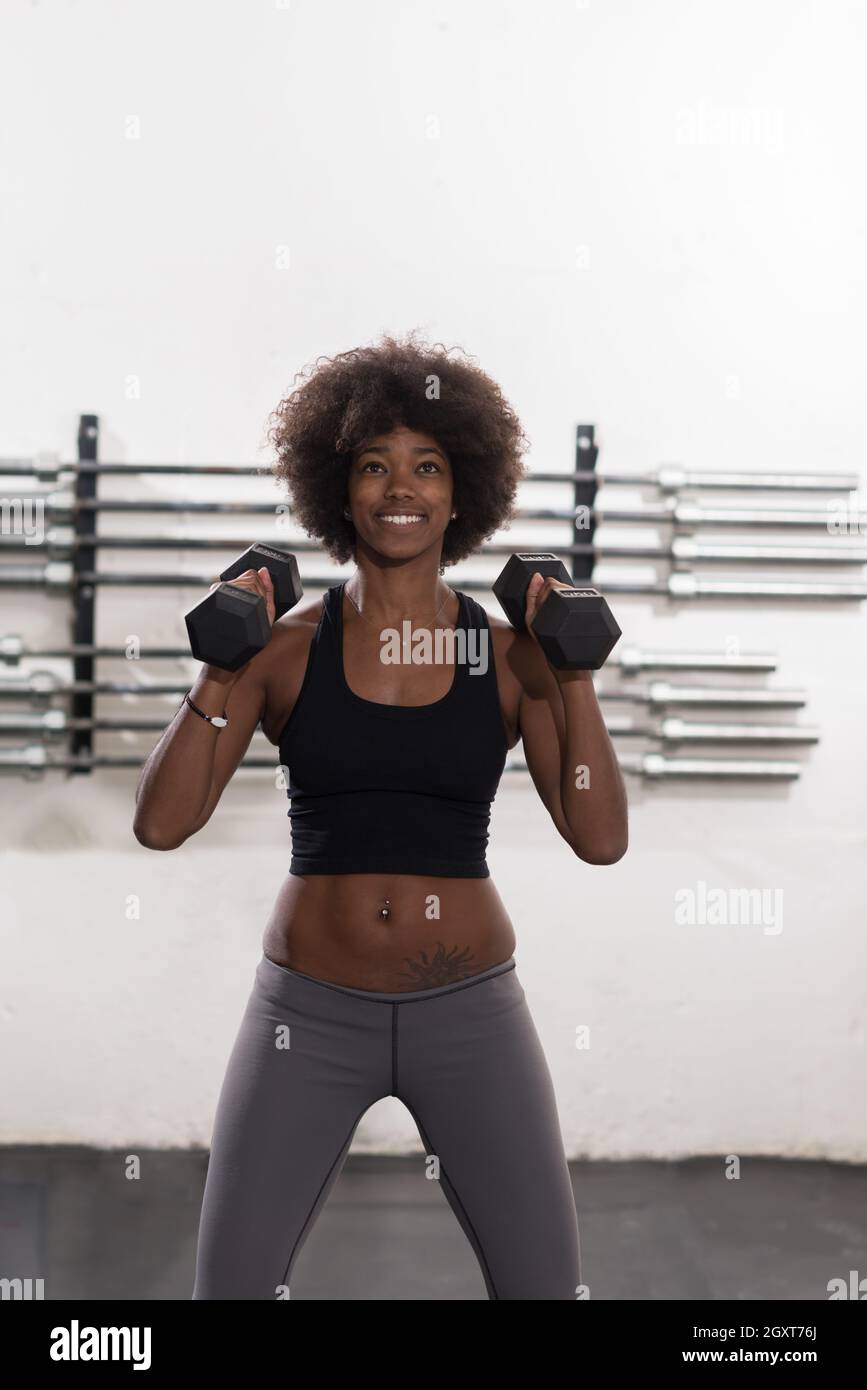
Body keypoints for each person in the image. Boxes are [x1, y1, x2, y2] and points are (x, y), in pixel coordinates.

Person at [133, 330, 629, 1300]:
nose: (400, 488)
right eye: (374, 466)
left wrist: (571, 674)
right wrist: (219, 660)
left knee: (543, 1287)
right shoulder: (283, 650)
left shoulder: (509, 656)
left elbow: (600, 836)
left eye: (427, 466)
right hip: (307, 1014)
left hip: (471, 1012)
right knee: (228, 1287)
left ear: (460, 491)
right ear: (339, 488)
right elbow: (163, 820)